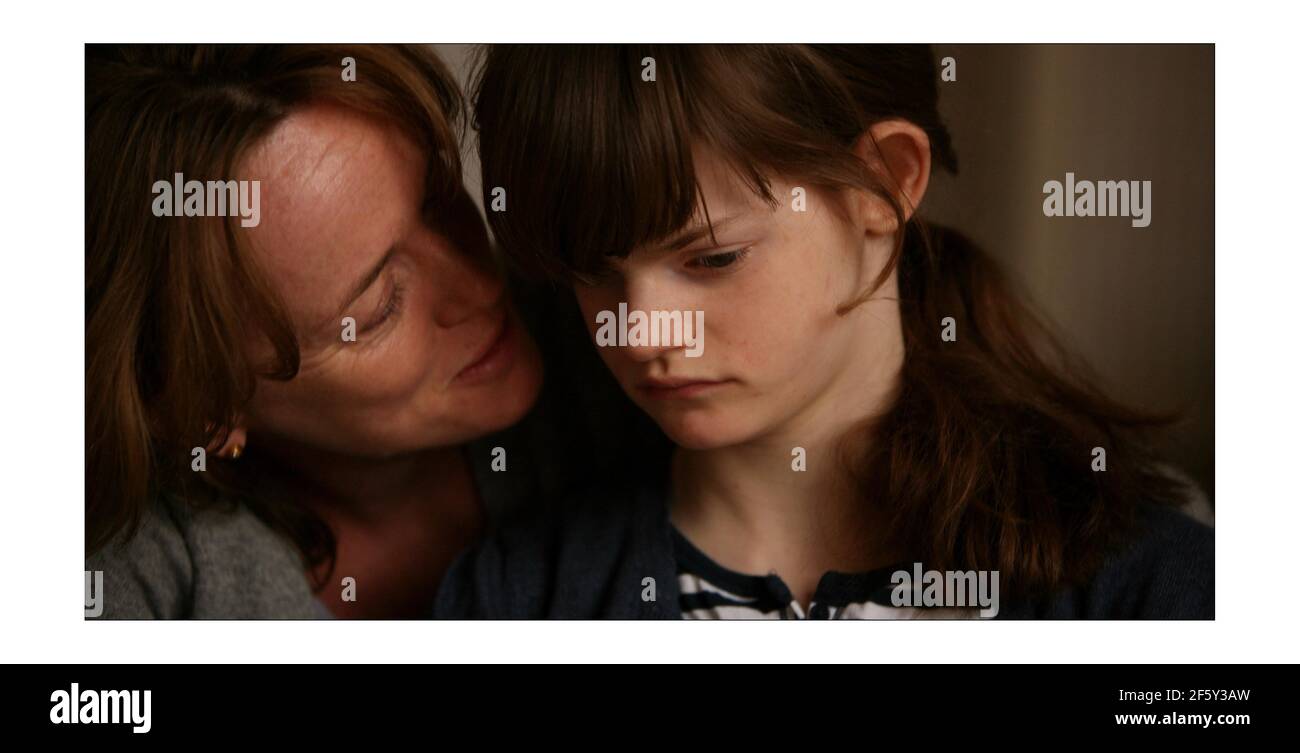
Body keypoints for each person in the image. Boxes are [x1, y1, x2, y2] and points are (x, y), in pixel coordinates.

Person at [435, 44, 1213, 619]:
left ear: (883, 181)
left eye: (713, 257)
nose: (638, 333)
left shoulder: (1152, 588)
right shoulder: (513, 598)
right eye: (591, 271)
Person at [86, 44, 564, 618]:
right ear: (200, 407)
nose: (481, 285)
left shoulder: (617, 364)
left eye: (439, 201)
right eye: (380, 309)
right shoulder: (128, 587)